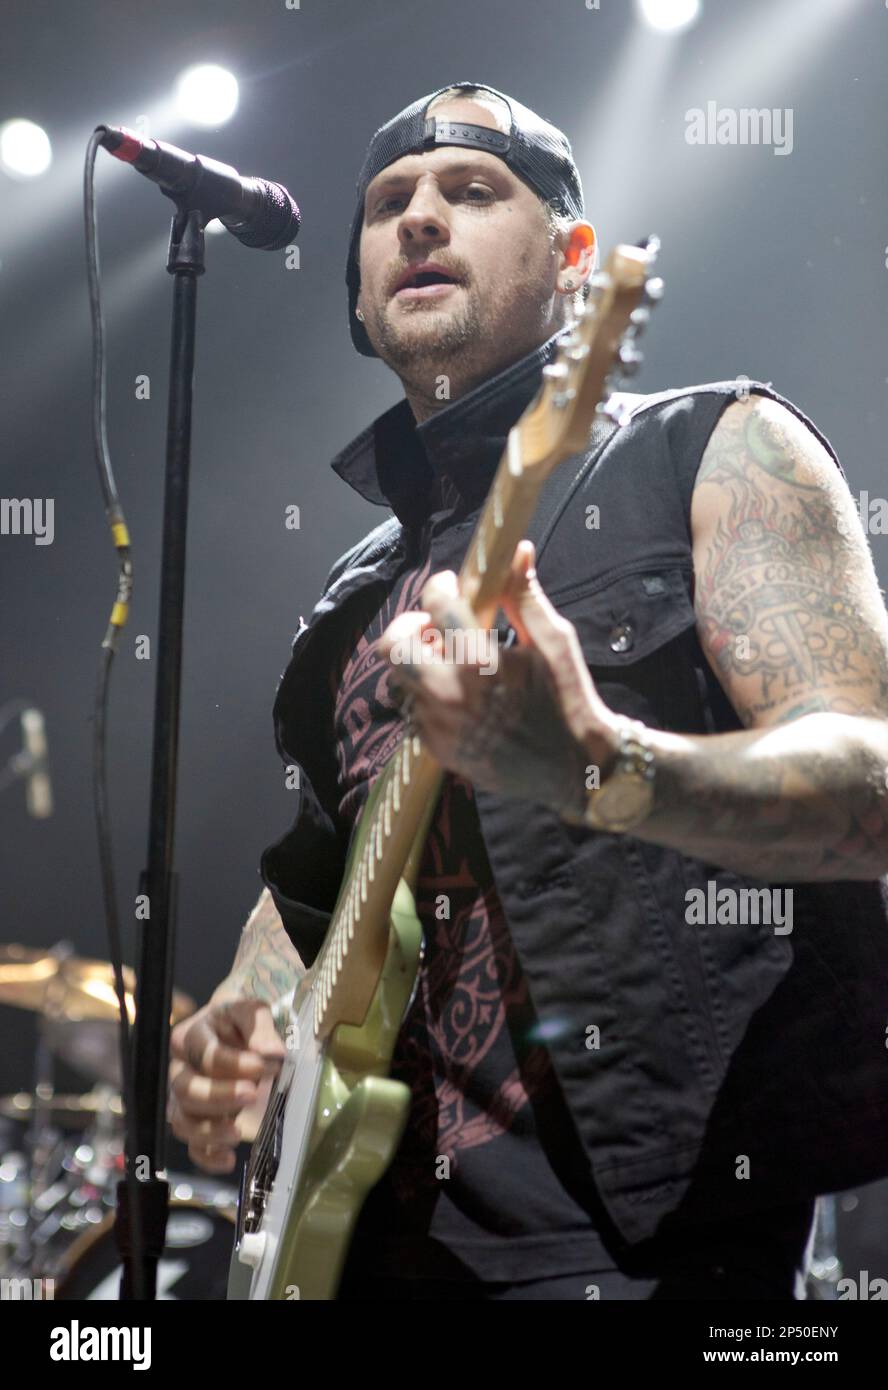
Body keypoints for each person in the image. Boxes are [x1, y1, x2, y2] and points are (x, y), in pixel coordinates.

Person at [168, 82, 888, 1300]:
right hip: (368, 1253)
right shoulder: (348, 606)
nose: (421, 218)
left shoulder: (712, 449)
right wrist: (239, 1026)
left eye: (472, 191)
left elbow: (869, 783)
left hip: (644, 1243)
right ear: (355, 288)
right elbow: (315, 900)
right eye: (390, 200)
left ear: (576, 261)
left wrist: (602, 766)